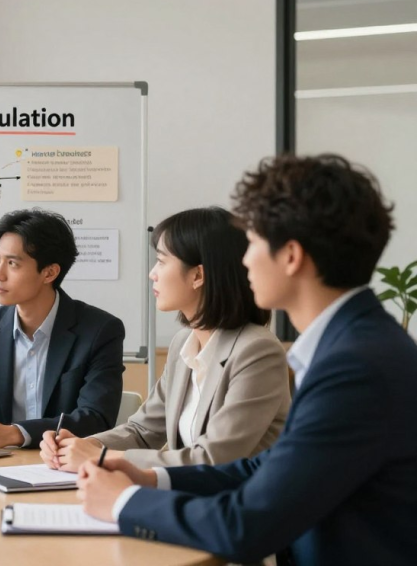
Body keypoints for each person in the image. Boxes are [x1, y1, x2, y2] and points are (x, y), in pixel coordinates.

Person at [77, 154, 417, 565]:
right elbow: (267, 466)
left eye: (252, 243)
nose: (243, 261)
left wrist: (125, 503)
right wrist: (151, 478)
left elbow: (246, 525)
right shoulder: (352, 346)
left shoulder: (355, 367)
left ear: (290, 256)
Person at [40, 207, 290, 469]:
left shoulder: (257, 350)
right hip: (189, 496)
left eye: (161, 261)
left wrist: (103, 458)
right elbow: (142, 431)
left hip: (238, 503)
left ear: (197, 275)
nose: (152, 273)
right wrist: (83, 446)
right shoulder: (184, 343)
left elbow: (213, 458)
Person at [0, 208, 125, 449]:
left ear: (49, 272)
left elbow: (95, 418)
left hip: (63, 465)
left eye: (13, 264)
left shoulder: (100, 330)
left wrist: (12, 434)